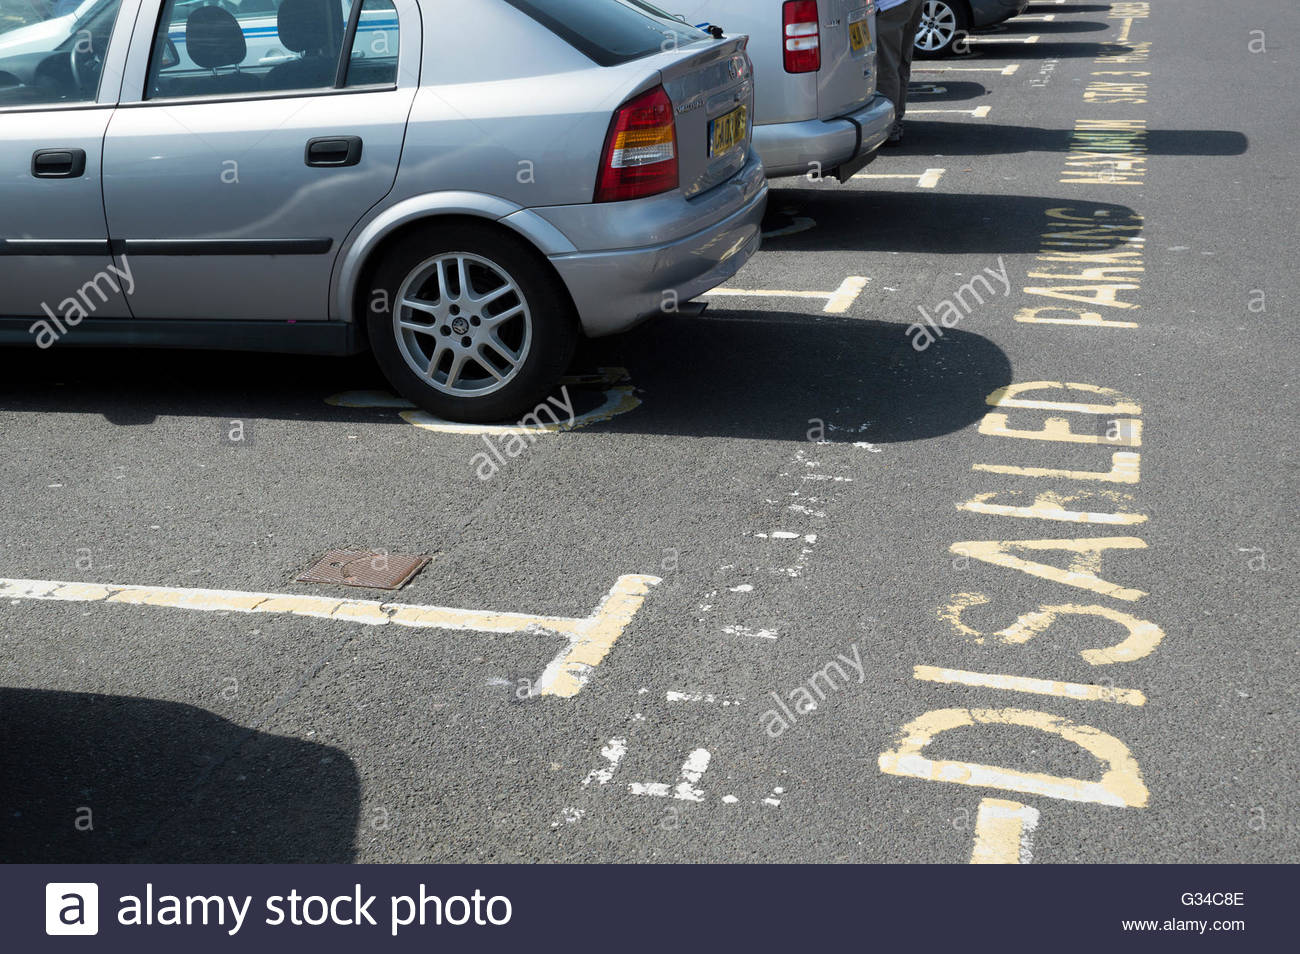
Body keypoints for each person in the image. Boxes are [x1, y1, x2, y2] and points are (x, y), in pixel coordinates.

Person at [875, 0, 926, 144]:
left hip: (890, 6)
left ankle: (889, 128)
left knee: (887, 67)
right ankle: (896, 122)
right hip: (910, 4)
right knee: (901, 64)